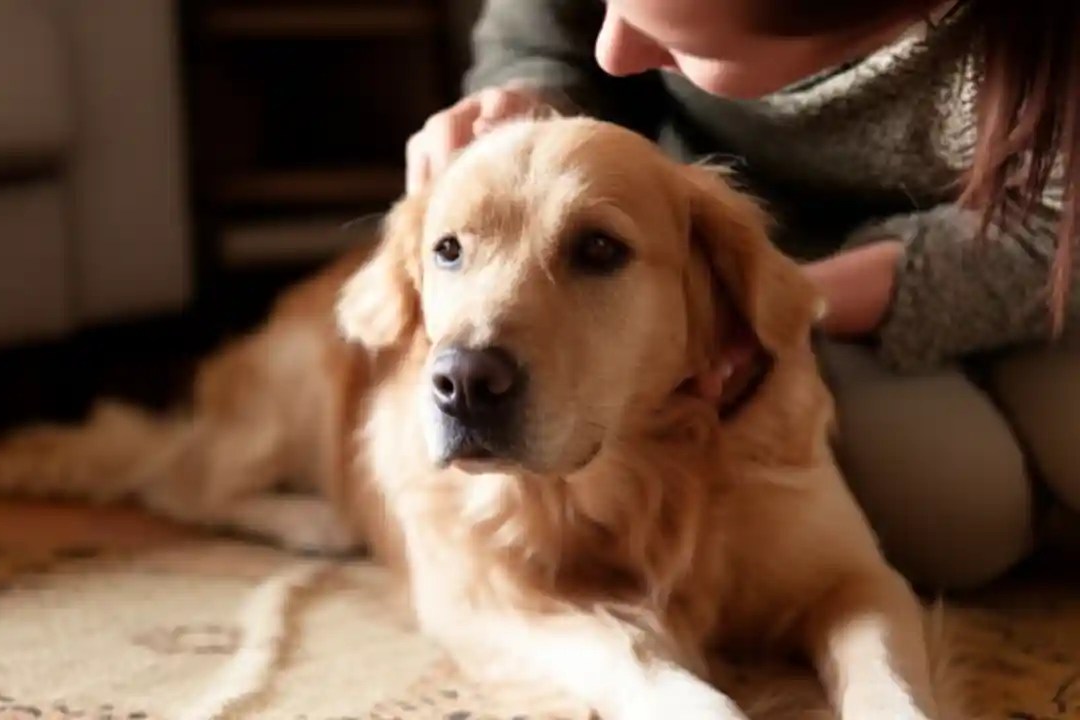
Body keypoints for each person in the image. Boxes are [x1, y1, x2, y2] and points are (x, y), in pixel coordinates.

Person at [405, 0, 1080, 590]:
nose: (614, 52)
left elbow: (1056, 236)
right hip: (768, 266)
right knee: (965, 516)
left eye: (685, 44)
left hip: (1029, 254)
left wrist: (769, 291)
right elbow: (544, 33)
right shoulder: (616, 47)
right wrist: (527, 102)